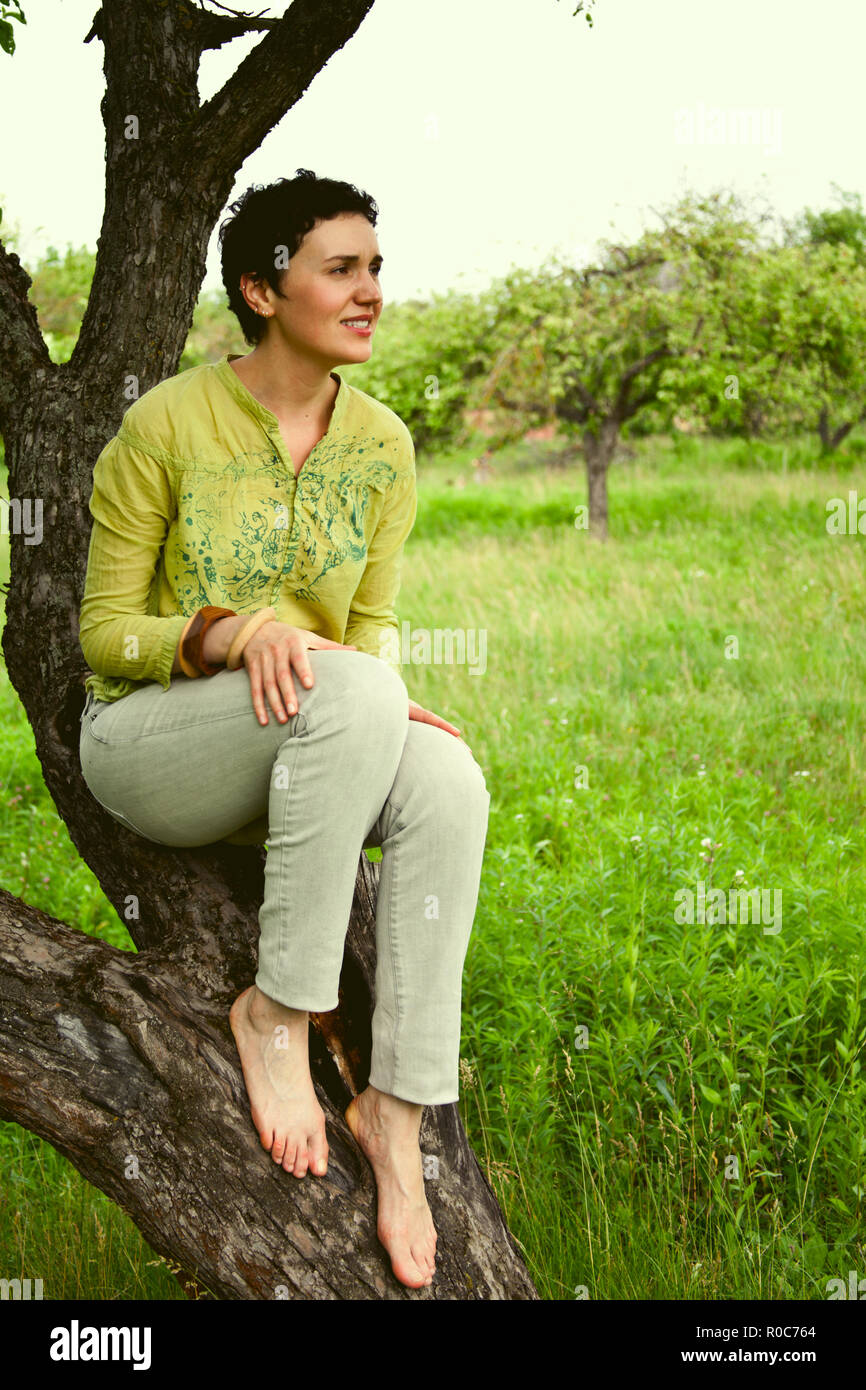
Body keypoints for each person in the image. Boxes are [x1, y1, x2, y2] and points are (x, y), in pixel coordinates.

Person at [76, 170, 491, 1291]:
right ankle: (280, 1013)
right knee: (351, 687)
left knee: (447, 773)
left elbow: (369, 631)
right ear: (262, 291)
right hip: (156, 743)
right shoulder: (166, 423)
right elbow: (103, 633)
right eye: (339, 270)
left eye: (375, 268)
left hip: (316, 733)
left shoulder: (385, 446)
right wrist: (228, 632)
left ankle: (395, 1108)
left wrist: (380, 695)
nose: (369, 293)